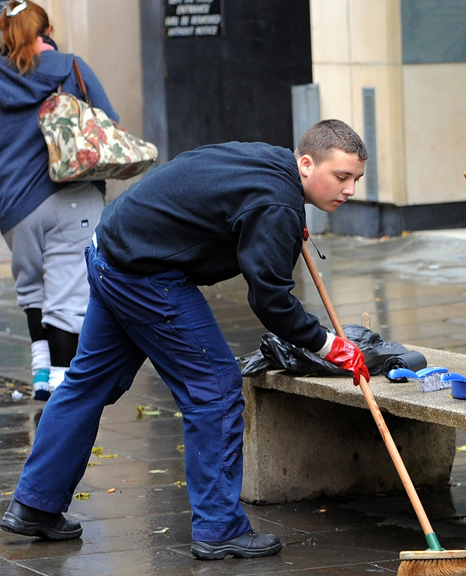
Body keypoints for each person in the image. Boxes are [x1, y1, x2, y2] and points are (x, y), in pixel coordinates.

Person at [0, 119, 372, 560]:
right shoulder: (278, 204)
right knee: (215, 389)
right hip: (144, 274)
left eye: (357, 179)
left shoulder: (271, 164)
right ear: (306, 163)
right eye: (341, 176)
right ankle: (219, 529)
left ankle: (35, 506)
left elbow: (232, 210)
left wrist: (279, 232)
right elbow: (271, 301)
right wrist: (332, 346)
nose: (349, 189)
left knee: (87, 383)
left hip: (112, 248)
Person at [0, 0, 116, 400]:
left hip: (15, 208)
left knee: (32, 288)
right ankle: (62, 387)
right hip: (72, 196)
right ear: (44, 29)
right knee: (67, 296)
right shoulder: (70, 67)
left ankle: (39, 375)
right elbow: (109, 125)